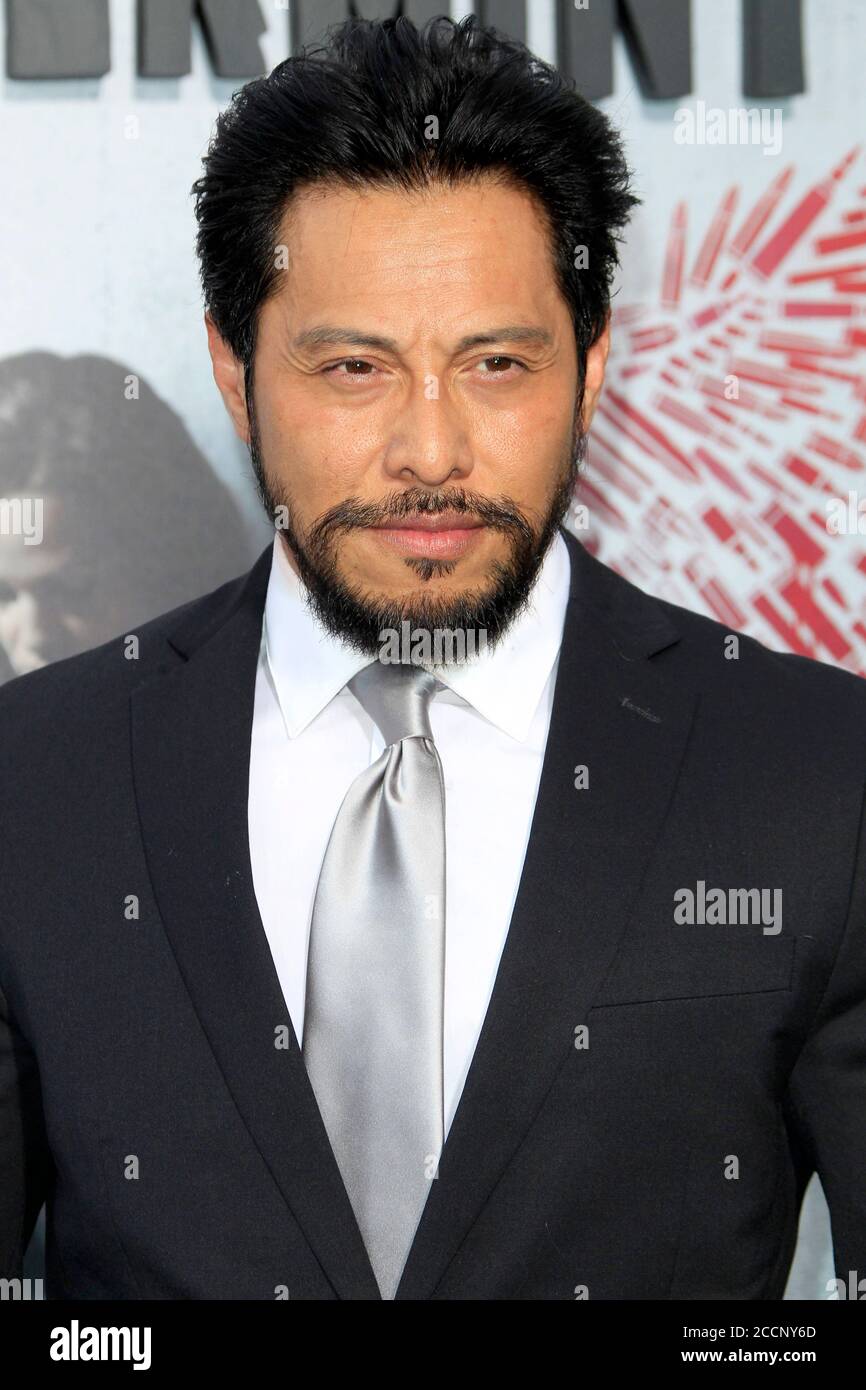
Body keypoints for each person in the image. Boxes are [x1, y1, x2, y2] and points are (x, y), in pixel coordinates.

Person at [0, 15, 863, 1302]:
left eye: (497, 363)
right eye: (353, 368)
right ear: (235, 375)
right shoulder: (33, 777)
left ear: (591, 368)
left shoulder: (818, 774)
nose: (430, 451)